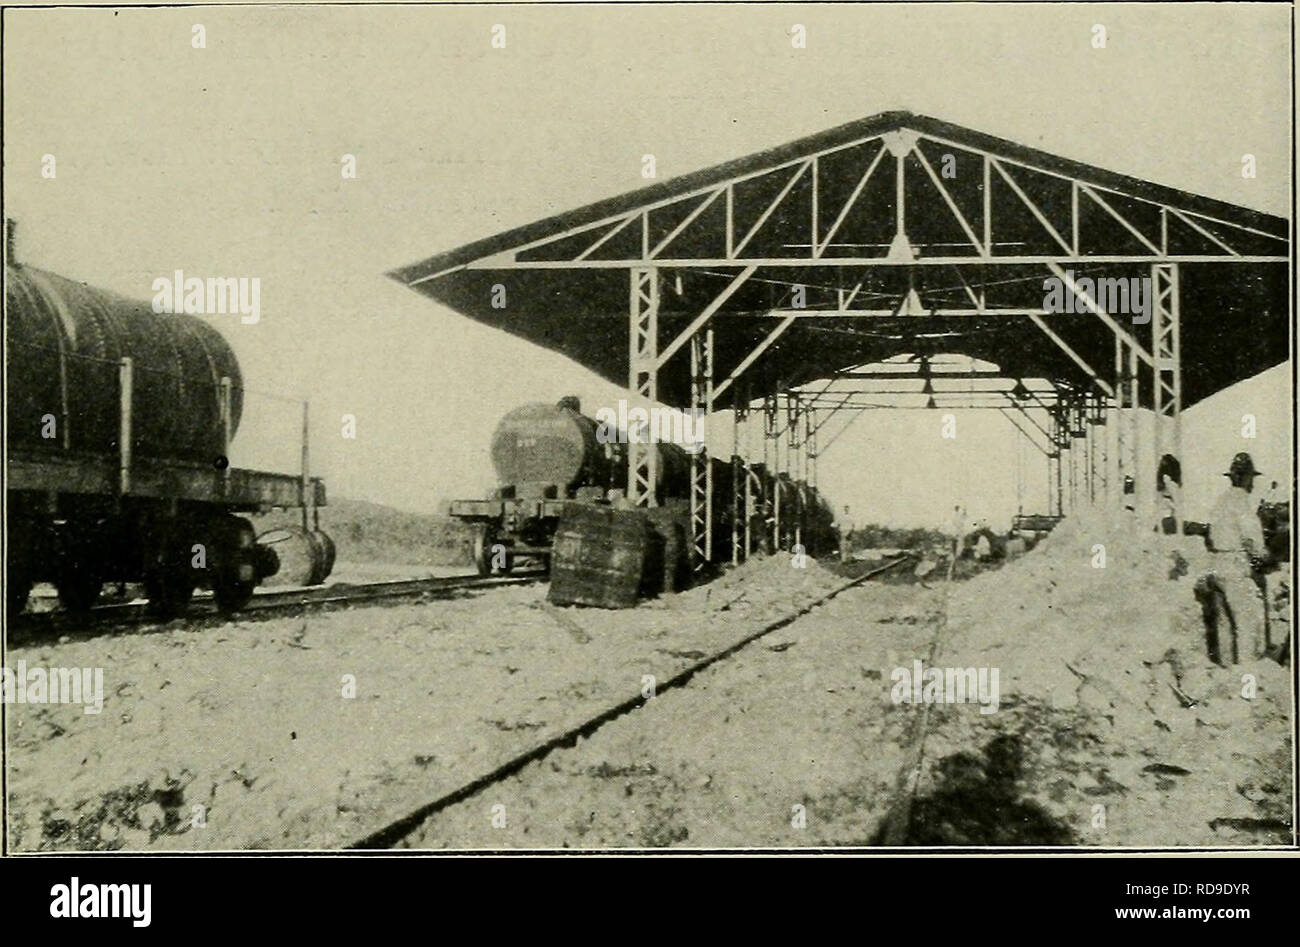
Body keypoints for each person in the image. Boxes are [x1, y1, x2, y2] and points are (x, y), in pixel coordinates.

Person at [1197, 452, 1270, 664]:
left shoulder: (1221, 501)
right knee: (1246, 626)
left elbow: (1212, 535)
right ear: (1245, 478)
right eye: (1251, 479)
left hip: (1217, 565)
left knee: (1224, 626)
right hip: (1235, 566)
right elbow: (1251, 540)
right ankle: (1245, 678)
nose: (1252, 484)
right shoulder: (1242, 502)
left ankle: (1227, 678)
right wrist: (1265, 557)